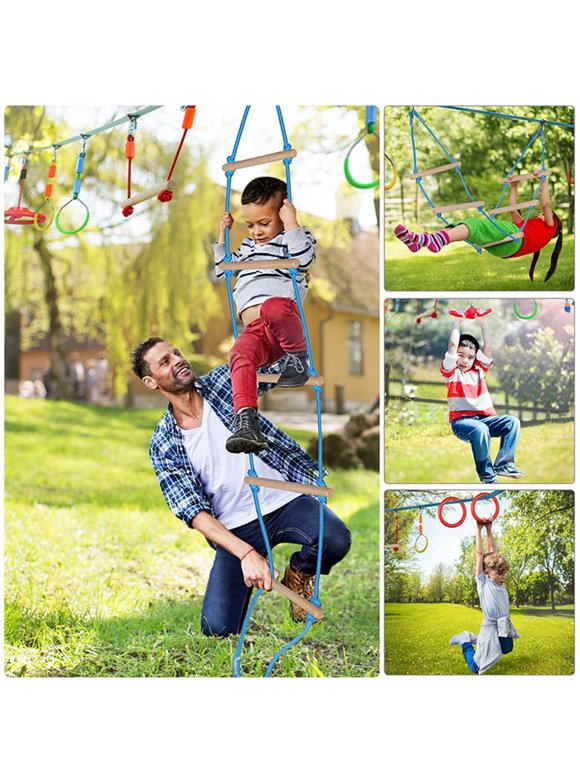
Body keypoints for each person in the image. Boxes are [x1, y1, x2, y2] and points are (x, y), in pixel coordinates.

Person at [130, 337, 351, 637]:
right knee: (217, 629)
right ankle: (243, 573)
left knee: (335, 539)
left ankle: (299, 571)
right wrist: (246, 553)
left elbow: (285, 365)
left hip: (284, 501)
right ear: (150, 381)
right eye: (164, 362)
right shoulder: (164, 443)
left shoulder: (224, 381)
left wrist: (282, 326)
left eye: (176, 353)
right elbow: (193, 513)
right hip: (236, 528)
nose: (177, 360)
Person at [214, 176, 316, 454]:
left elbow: (305, 259)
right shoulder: (247, 248)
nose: (257, 231)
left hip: (281, 324)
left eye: (264, 223)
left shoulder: (291, 239)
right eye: (250, 224)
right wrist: (222, 235)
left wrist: (292, 222)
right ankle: (247, 421)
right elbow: (222, 270)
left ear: (282, 214)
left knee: (273, 306)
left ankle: (298, 358)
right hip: (255, 331)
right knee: (239, 353)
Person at [394, 171, 563, 280]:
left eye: (543, 215)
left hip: (515, 239)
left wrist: (544, 181)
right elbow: (514, 211)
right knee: (467, 227)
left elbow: (546, 205)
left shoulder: (550, 226)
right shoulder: (532, 226)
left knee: (476, 224)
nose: (539, 214)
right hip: (504, 250)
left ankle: (435, 240)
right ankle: (420, 241)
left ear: (553, 221)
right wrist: (514, 187)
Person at [440, 312, 523, 483]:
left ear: (475, 358)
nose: (465, 360)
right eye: (461, 355)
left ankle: (503, 464)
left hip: (486, 420)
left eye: (470, 357)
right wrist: (457, 322)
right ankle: (487, 475)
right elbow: (453, 345)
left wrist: (483, 322)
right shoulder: (451, 372)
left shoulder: (480, 370)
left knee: (512, 422)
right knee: (479, 429)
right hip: (462, 423)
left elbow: (488, 346)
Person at [450, 518, 519, 674]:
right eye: (499, 572)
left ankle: (476, 639)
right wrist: (478, 529)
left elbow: (493, 553)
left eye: (504, 572)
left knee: (507, 649)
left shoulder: (499, 581)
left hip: (503, 622)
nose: (503, 576)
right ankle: (465, 641)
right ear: (486, 572)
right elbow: (480, 554)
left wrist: (489, 529)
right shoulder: (483, 582)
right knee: (477, 667)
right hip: (490, 625)